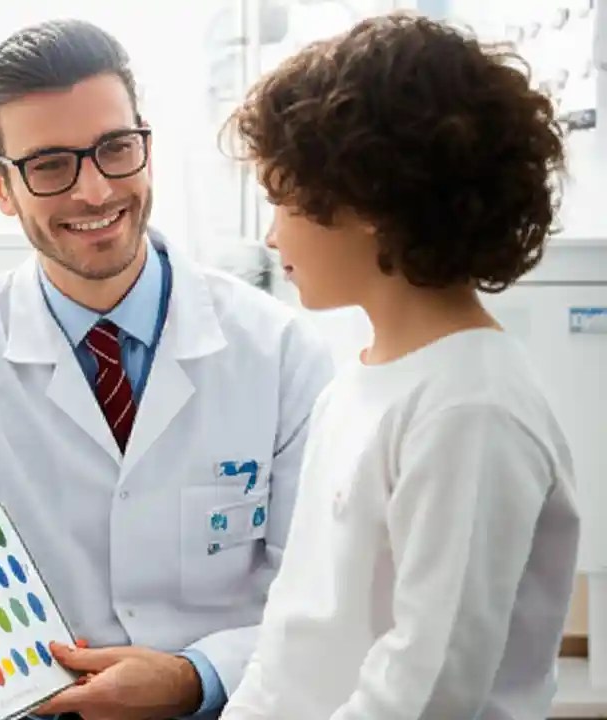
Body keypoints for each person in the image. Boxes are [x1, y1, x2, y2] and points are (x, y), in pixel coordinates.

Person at [0, 18, 334, 720]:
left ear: (144, 147)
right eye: (51, 165)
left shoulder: (278, 351)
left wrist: (193, 677)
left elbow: (317, 596)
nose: (94, 192)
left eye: (115, 149)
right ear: (0, 187)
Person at [218, 13, 581, 719]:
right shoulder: (358, 382)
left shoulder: (470, 407)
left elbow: (429, 685)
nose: (271, 233)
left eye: (283, 200)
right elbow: (293, 640)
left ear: (367, 203)